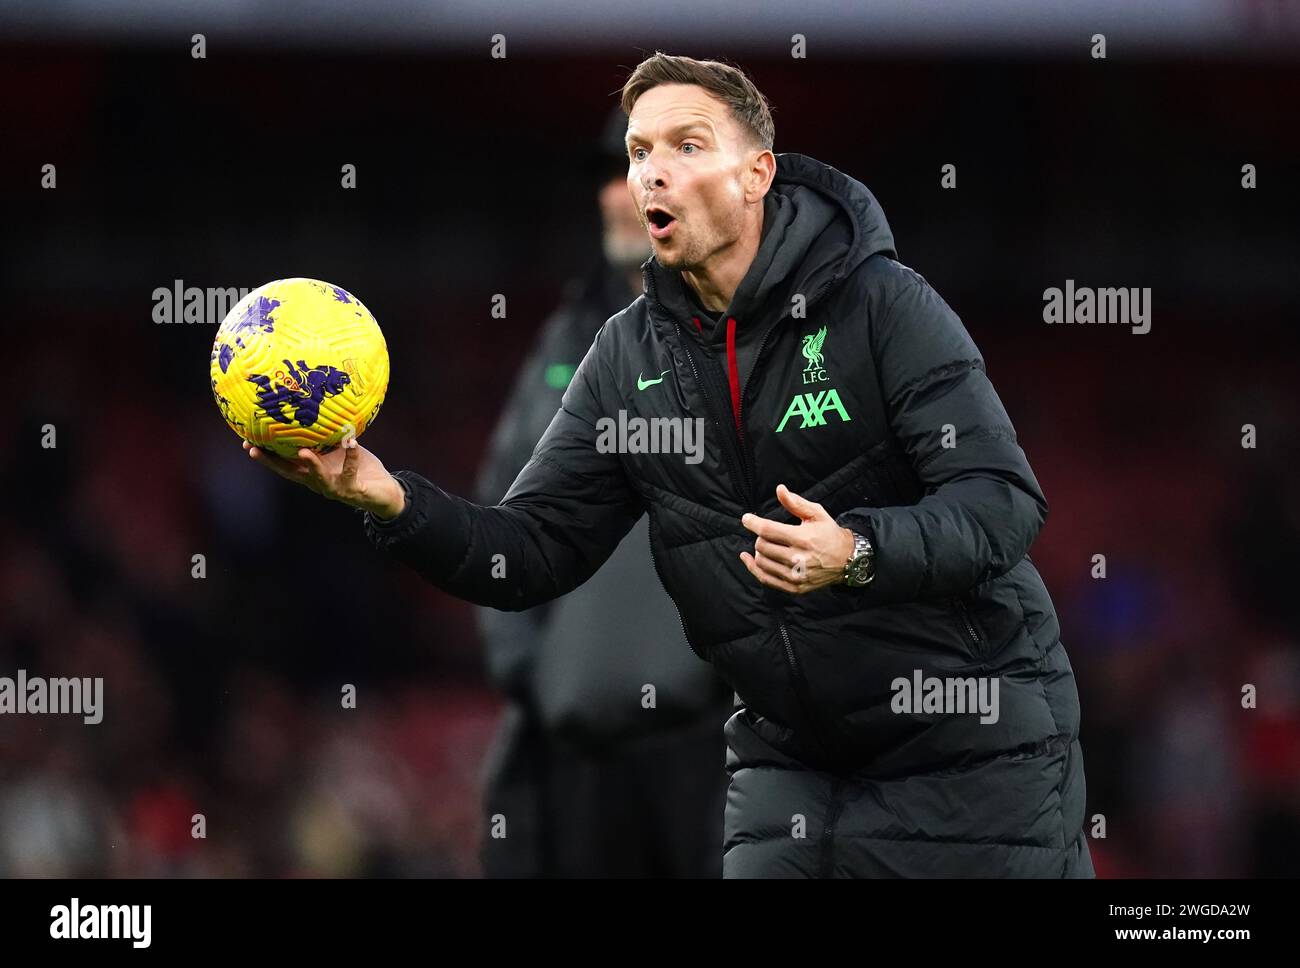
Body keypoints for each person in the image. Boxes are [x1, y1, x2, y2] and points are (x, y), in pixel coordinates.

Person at [245, 52, 1093, 878]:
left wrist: (859, 551)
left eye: (686, 145)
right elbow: (533, 548)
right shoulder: (624, 357)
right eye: (639, 152)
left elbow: (1002, 502)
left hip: (973, 756)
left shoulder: (883, 306)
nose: (651, 173)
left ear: (758, 173)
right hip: (788, 775)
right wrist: (391, 500)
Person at [473, 109, 732, 878]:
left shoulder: (760, 337)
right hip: (577, 753)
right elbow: (502, 514)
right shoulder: (565, 338)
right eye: (616, 174)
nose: (621, 195)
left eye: (650, 174)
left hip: (714, 749)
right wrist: (534, 671)